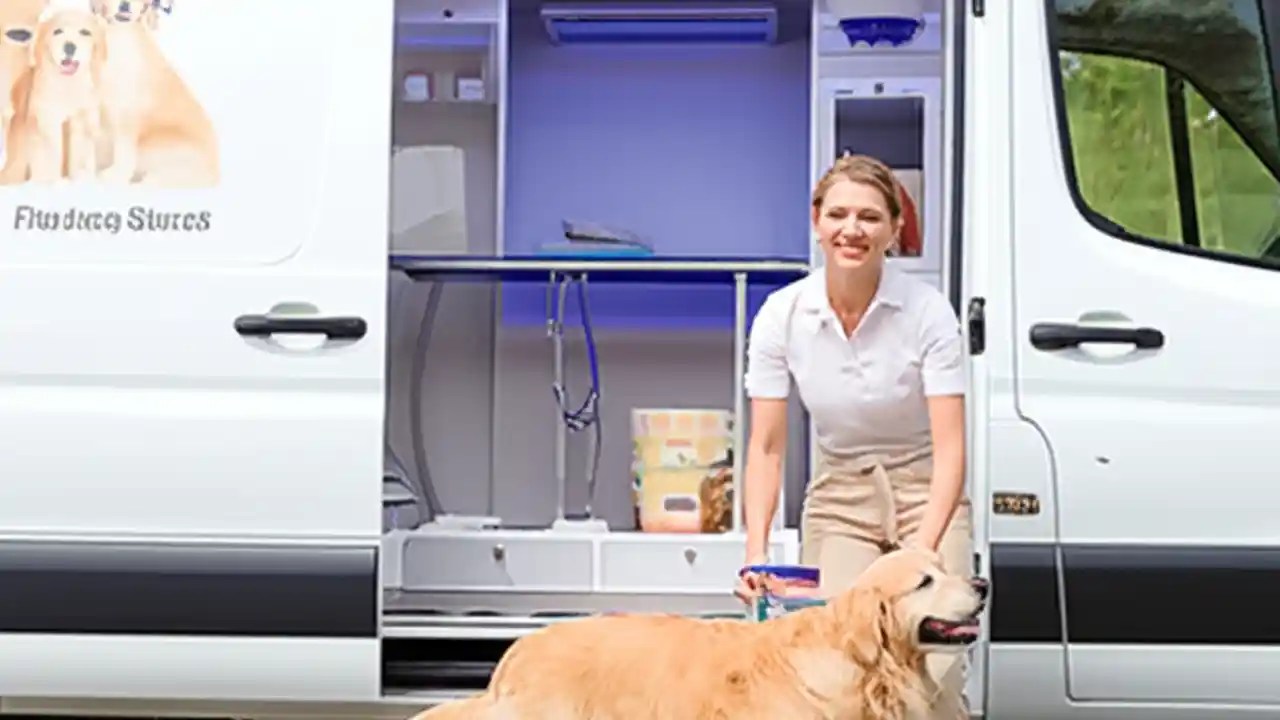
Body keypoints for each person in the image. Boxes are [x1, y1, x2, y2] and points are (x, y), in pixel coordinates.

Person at [734, 154, 972, 718]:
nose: (852, 229)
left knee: (934, 676)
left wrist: (922, 551)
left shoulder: (927, 312)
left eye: (869, 217)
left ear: (893, 229)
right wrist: (755, 554)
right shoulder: (781, 315)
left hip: (925, 493)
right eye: (837, 214)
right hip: (841, 495)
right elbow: (766, 448)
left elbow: (951, 449)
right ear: (817, 222)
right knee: (839, 666)